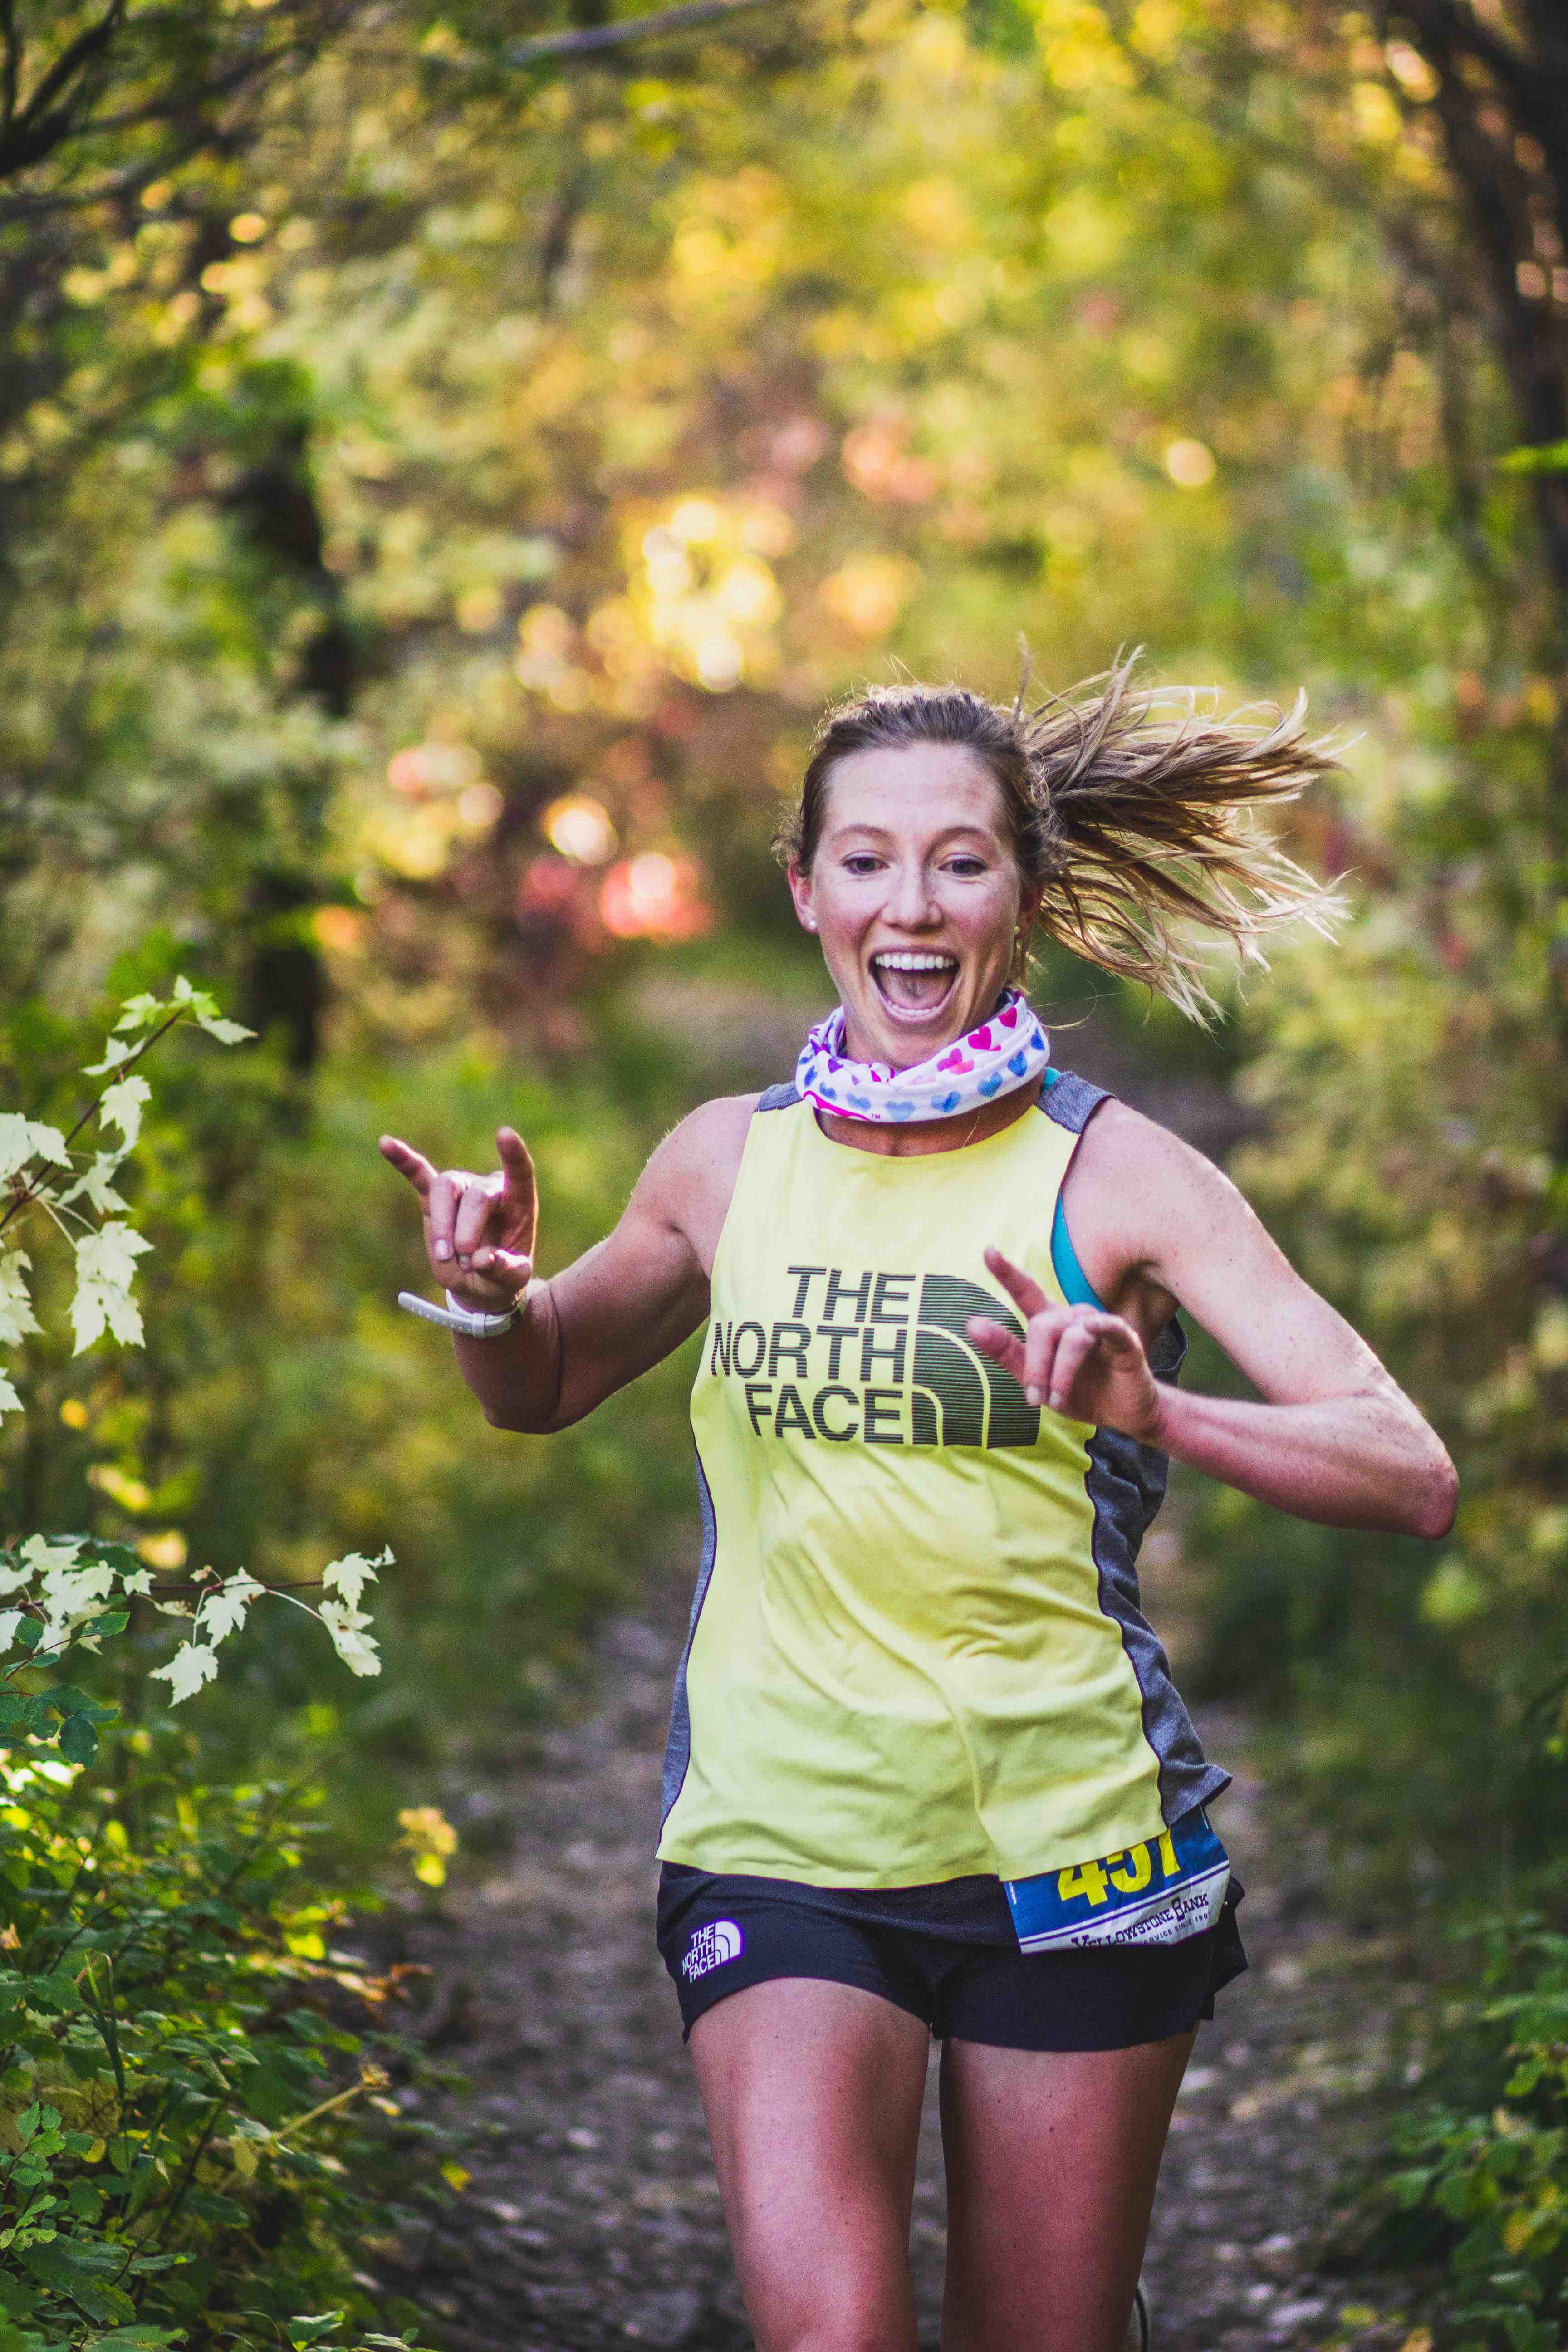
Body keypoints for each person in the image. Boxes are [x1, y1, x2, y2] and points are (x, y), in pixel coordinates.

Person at [380, 657, 1457, 2352]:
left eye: (961, 861)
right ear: (804, 889)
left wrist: (1162, 1409)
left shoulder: (1121, 1175)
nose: (913, 904)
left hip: (1081, 1848)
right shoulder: (722, 1162)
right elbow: (543, 1386)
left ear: (1023, 892)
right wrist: (497, 1304)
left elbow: (1409, 1471)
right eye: (866, 860)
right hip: (782, 1835)